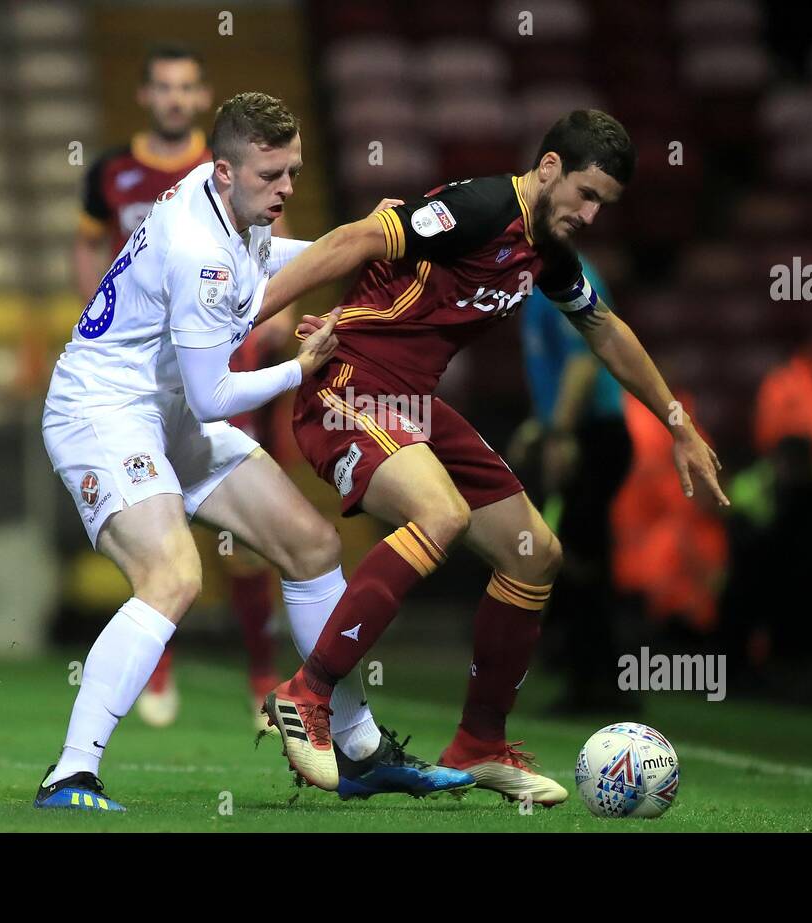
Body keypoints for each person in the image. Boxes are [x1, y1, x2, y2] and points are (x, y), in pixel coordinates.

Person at [254, 110, 728, 803]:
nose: (592, 215)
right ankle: (308, 692)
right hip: (346, 385)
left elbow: (605, 329)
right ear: (548, 170)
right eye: (586, 195)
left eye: (605, 205)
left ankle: (479, 741)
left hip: (411, 404)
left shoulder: (548, 252)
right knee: (439, 515)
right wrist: (251, 314)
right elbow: (357, 239)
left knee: (535, 552)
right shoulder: (477, 207)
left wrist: (679, 423)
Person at [35, 92, 472, 810]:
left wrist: (364, 237)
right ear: (225, 172)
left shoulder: (225, 203)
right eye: (273, 176)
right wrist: (301, 369)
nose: (288, 189)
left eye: (294, 172)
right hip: (103, 413)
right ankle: (70, 773)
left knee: (311, 545)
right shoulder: (199, 251)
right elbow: (215, 397)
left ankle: (358, 748)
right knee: (171, 575)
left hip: (165, 407)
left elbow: (277, 261)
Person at [74, 44, 296, 729]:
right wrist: (96, 312)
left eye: (187, 87)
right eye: (163, 86)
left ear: (202, 99)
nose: (175, 97)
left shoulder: (233, 169)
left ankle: (263, 669)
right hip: (144, 372)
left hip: (223, 358)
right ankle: (158, 662)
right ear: (145, 95)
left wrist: (279, 315)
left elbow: (272, 237)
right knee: (152, 511)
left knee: (252, 534)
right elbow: (89, 246)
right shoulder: (111, 171)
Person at [512, 255, 633, 713]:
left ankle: (597, 683)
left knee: (580, 559)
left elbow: (583, 362)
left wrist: (559, 433)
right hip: (580, 431)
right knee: (583, 554)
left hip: (593, 435)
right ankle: (598, 679)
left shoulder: (568, 276)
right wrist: (540, 427)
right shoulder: (541, 282)